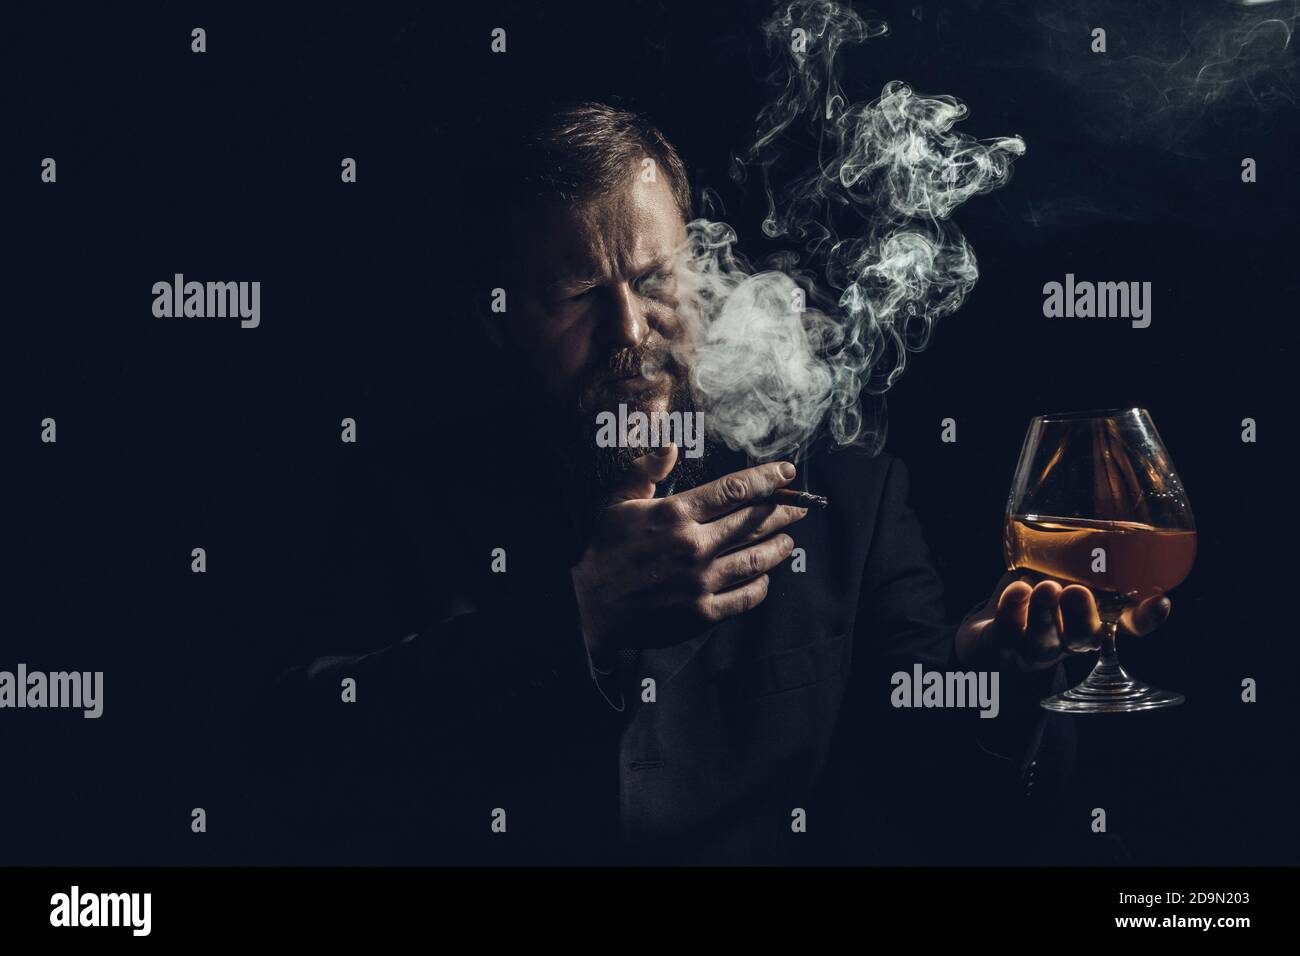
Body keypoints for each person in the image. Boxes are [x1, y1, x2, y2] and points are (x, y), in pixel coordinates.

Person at [246, 103, 1172, 865]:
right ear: (497, 317)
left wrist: (997, 678)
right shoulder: (404, 497)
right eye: (575, 294)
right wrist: (579, 618)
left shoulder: (838, 492)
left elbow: (935, 783)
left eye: (654, 277)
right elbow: (295, 757)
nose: (630, 331)